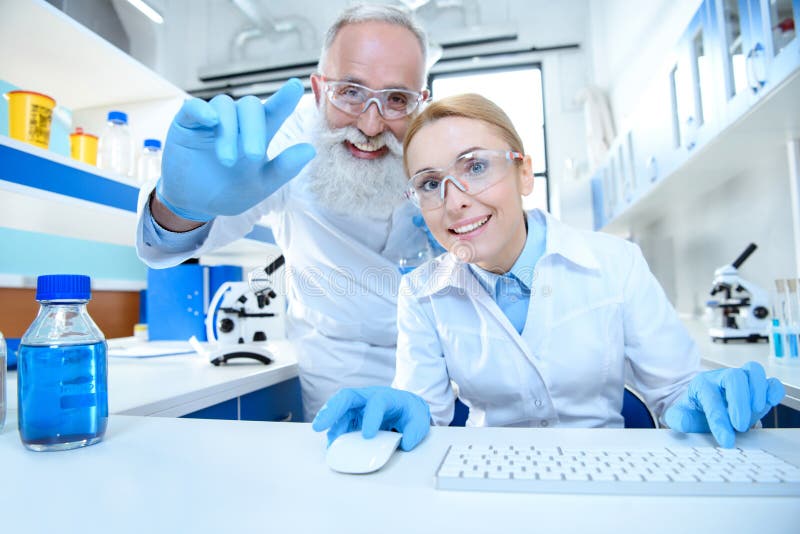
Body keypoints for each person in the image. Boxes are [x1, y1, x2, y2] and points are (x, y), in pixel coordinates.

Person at [312, 94, 786, 451]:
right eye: (431, 183)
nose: (454, 199)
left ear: (524, 174)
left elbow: (674, 392)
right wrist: (406, 409)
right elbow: (427, 413)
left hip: (610, 480)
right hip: (489, 482)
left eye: (475, 166)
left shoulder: (616, 264)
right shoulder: (420, 293)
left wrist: (700, 401)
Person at [135, 5, 435, 421]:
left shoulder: (437, 144)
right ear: (318, 89)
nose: (370, 124)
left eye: (397, 99)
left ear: (419, 102)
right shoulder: (284, 140)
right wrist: (180, 205)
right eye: (350, 91)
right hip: (339, 373)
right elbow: (161, 250)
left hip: (438, 367)